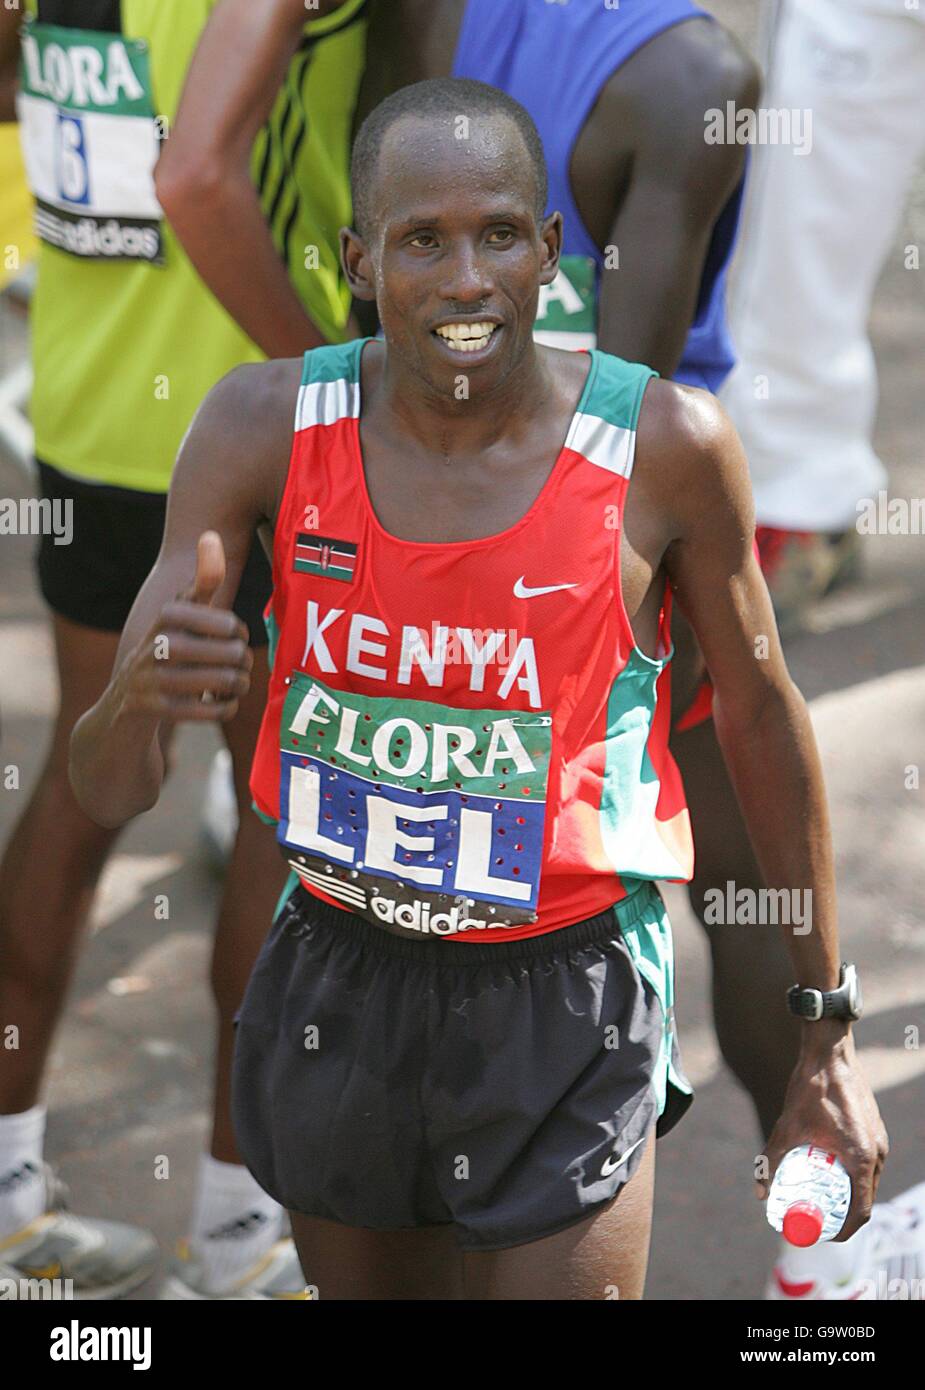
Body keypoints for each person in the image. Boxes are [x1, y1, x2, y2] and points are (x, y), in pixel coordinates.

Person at [70, 79, 886, 1301]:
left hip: (568, 996)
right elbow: (107, 784)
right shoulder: (262, 427)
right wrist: (139, 699)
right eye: (421, 240)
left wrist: (825, 1030)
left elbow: (762, 722)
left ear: (550, 248)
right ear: (358, 259)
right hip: (338, 986)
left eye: (500, 233)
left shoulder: (662, 445)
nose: (465, 279)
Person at [0, 0, 365, 1299]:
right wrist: (336, 389)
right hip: (250, 427)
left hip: (91, 406)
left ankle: (6, 1198)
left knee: (80, 782)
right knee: (283, 802)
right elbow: (199, 172)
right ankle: (240, 1234)